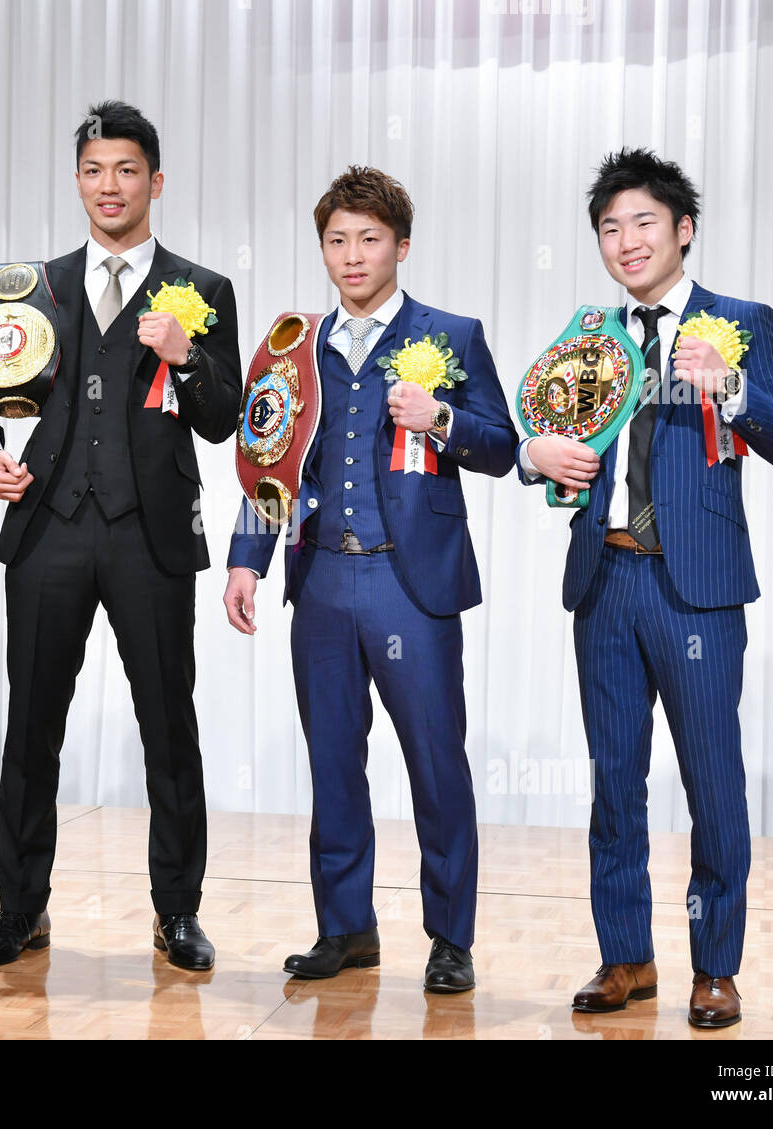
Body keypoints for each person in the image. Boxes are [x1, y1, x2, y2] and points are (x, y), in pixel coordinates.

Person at [520, 149, 773, 1027]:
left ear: (684, 229)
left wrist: (732, 388)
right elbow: (550, 440)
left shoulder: (741, 319)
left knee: (712, 781)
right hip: (603, 578)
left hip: (700, 590)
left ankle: (715, 965)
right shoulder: (589, 338)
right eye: (610, 227)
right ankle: (627, 958)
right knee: (616, 784)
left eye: (644, 222)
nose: (626, 240)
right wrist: (537, 456)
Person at [0, 101, 241, 972]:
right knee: (30, 725)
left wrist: (187, 355)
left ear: (155, 182)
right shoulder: (28, 288)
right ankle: (20, 911)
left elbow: (226, 419)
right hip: (46, 528)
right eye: (93, 170)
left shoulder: (203, 291)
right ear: (76, 180)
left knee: (169, 725)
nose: (108, 186)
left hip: (149, 537)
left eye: (125, 170)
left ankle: (177, 913)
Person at [223, 167, 517, 992]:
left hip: (410, 583)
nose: (351, 256)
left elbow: (501, 445)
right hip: (318, 580)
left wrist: (444, 419)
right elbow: (267, 457)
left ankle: (450, 935)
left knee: (435, 760)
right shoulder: (295, 345)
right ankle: (346, 927)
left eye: (369, 239)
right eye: (337, 240)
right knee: (332, 764)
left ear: (402, 246)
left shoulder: (451, 334)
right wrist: (248, 558)